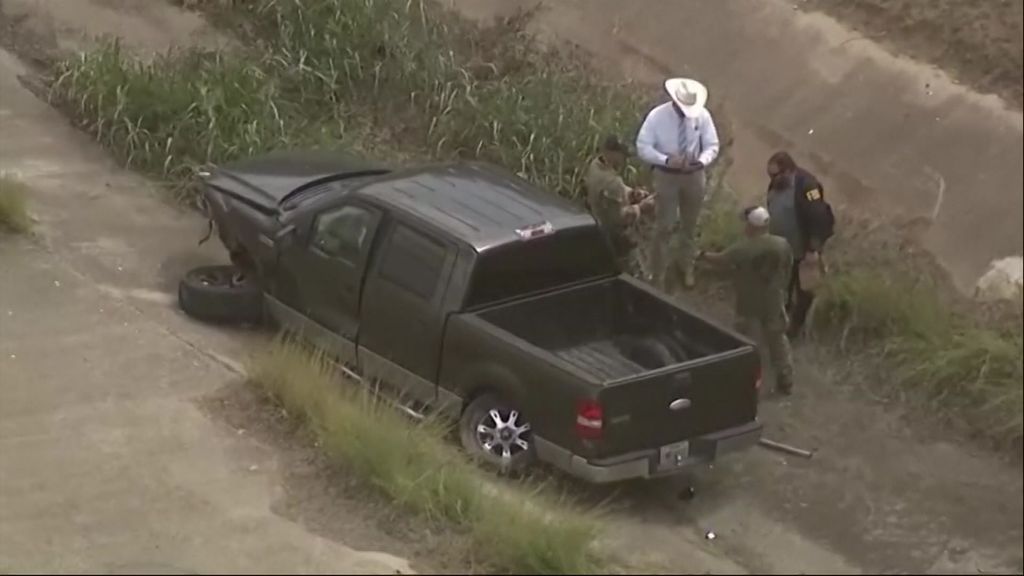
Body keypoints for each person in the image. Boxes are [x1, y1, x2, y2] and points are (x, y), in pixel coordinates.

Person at [698, 206, 795, 395]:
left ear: (752, 226)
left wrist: (701, 255)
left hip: (749, 304)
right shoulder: (782, 244)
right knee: (778, 341)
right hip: (774, 300)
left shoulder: (742, 248)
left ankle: (750, 383)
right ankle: (785, 379)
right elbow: (788, 268)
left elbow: (720, 260)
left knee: (750, 345)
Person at [636, 77, 720, 291]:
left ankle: (686, 265)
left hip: (694, 175)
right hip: (666, 176)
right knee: (664, 225)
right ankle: (656, 272)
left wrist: (701, 161)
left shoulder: (702, 116)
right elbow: (643, 147)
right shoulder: (657, 117)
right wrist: (665, 160)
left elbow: (712, 145)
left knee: (690, 225)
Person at [764, 151, 835, 338]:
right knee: (783, 283)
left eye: (776, 175)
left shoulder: (808, 187)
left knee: (804, 288)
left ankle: (797, 325)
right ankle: (781, 316)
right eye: (770, 175)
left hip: (803, 249)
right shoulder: (777, 184)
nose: (772, 179)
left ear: (788, 171)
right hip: (783, 248)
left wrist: (813, 249)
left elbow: (818, 216)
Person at [584, 135, 655, 275]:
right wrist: (641, 207)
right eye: (621, 154)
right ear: (611, 153)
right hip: (612, 234)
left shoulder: (596, 165)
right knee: (633, 272)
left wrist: (632, 193)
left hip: (596, 222)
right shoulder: (612, 182)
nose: (624, 158)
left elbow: (612, 193)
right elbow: (620, 218)